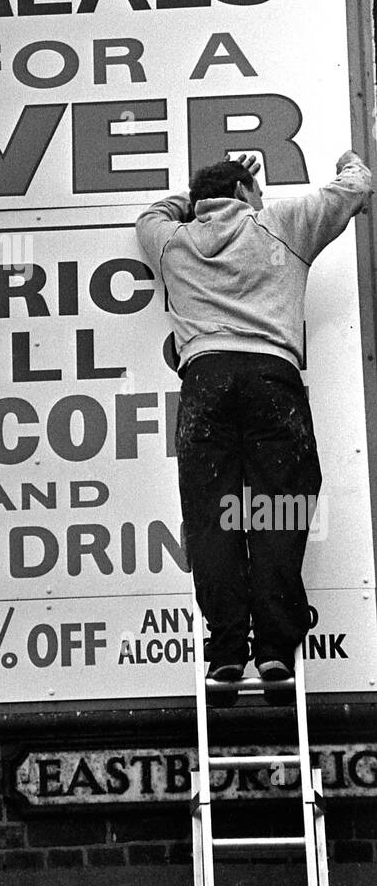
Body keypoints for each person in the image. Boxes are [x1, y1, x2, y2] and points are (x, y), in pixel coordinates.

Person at [135, 149, 372, 696]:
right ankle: (272, 651)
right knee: (279, 510)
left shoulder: (174, 241)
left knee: (211, 517)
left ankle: (224, 653)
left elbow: (151, 215)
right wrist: (348, 162)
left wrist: (194, 199)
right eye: (255, 192)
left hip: (205, 381)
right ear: (244, 192)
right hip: (272, 380)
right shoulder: (280, 224)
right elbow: (353, 190)